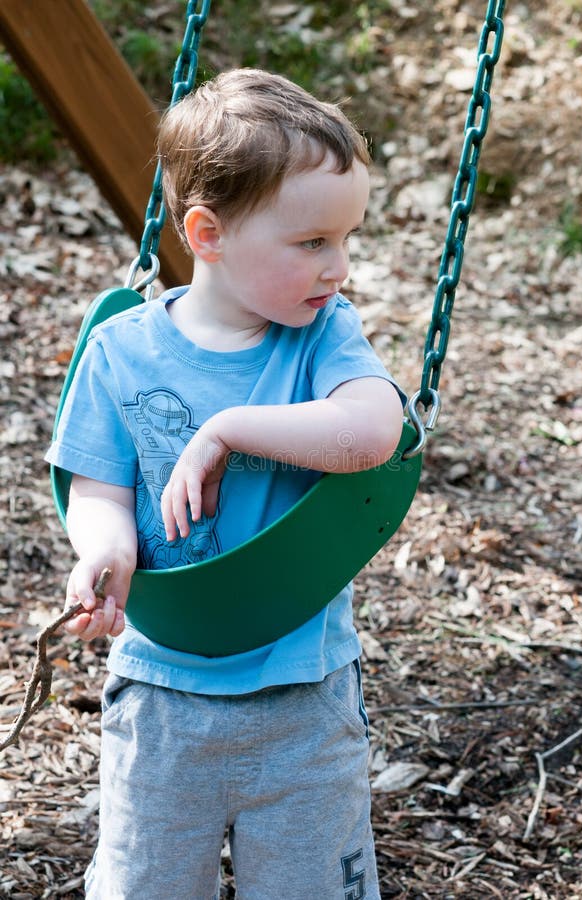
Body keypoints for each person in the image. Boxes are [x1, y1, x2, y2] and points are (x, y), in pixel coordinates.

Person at [46, 68, 405, 899]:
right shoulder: (122, 352)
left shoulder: (322, 341)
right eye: (313, 242)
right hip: (162, 693)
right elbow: (97, 484)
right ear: (207, 234)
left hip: (303, 698)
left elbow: (373, 432)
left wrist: (227, 429)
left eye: (348, 238)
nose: (340, 266)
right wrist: (104, 552)